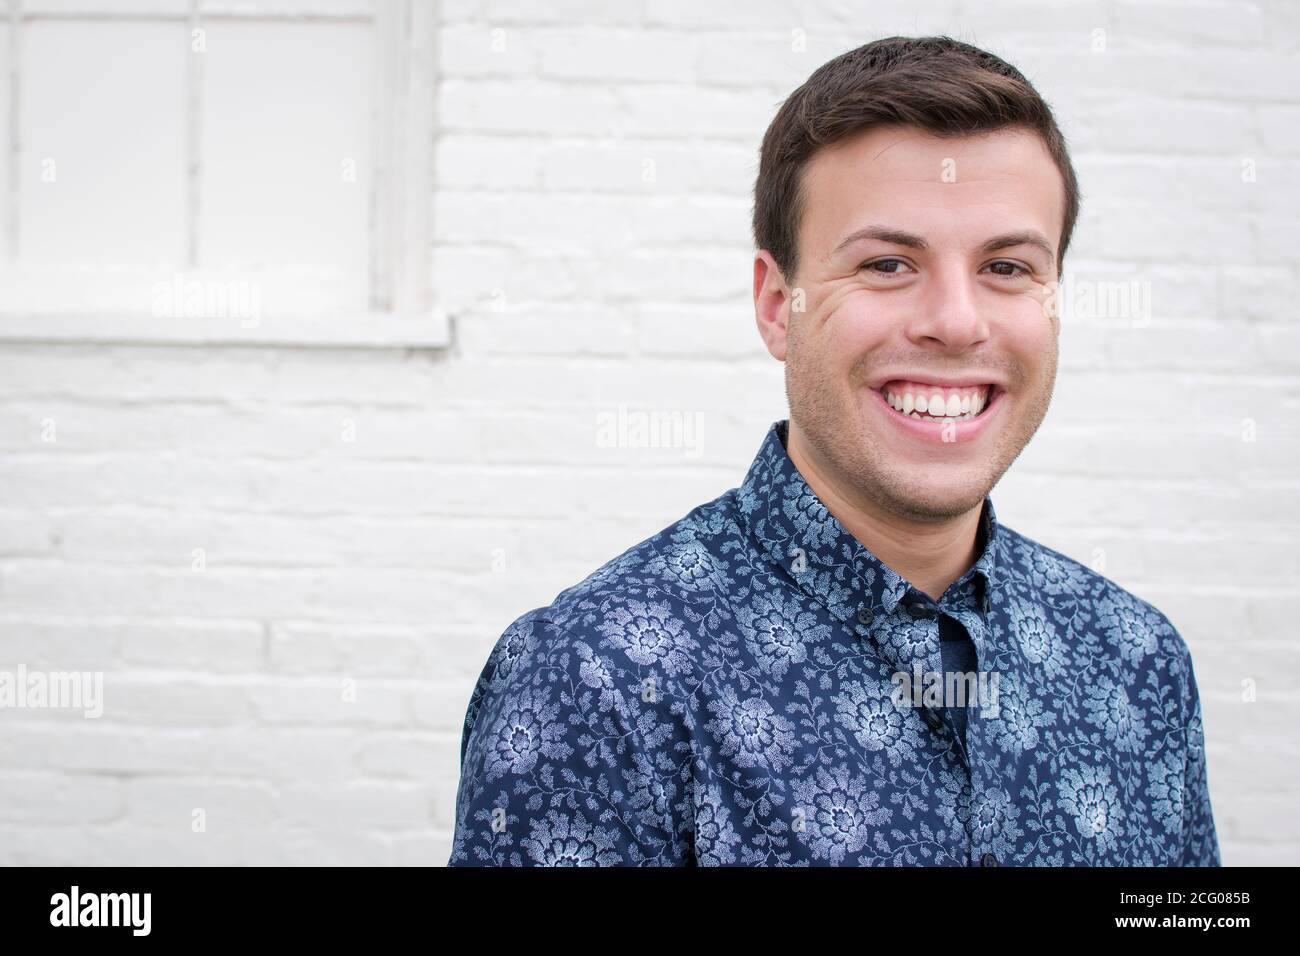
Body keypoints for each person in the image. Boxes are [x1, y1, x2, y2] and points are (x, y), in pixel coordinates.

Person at [447, 35, 1220, 866]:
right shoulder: (596, 678)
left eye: (1005, 266)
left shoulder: (1138, 660)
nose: (958, 322)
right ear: (779, 306)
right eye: (888, 264)